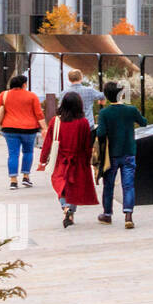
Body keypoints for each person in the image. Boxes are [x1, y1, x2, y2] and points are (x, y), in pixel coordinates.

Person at [37, 91, 98, 228]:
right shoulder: (83, 122)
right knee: (73, 187)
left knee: (60, 185)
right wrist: (88, 161)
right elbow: (86, 144)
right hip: (78, 160)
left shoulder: (55, 121)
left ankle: (65, 207)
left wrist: (42, 161)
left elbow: (48, 143)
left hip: (60, 160)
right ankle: (70, 211)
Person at [96, 81, 148, 229]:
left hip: (111, 155)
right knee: (128, 185)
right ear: (121, 94)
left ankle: (107, 214)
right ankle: (128, 216)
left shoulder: (104, 113)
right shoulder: (131, 110)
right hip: (129, 152)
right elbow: (143, 122)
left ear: (106, 95)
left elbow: (100, 133)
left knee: (109, 185)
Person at [0, 75, 48, 191]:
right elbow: (39, 114)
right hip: (29, 129)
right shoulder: (32, 96)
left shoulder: (4, 95)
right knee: (28, 152)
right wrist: (44, 128)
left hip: (10, 129)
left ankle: (13, 181)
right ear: (24, 84)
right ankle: (26, 177)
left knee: (13, 154)